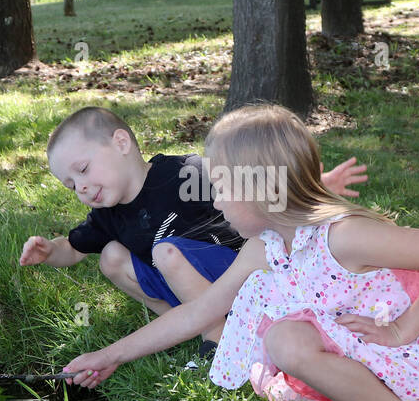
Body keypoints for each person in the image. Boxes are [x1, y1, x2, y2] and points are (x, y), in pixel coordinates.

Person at [64, 103, 419, 401]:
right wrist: (110, 355)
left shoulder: (344, 236)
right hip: (385, 364)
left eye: (223, 188)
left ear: (262, 189)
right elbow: (197, 313)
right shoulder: (265, 246)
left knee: (290, 342)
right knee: (288, 334)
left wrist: (402, 329)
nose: (215, 201)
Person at [20, 106, 367, 349]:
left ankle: (216, 338)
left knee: (165, 252)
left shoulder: (182, 176)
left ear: (121, 143)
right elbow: (74, 248)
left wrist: (313, 182)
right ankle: (181, 325)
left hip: (235, 275)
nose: (80, 187)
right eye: (70, 184)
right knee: (110, 256)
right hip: (185, 286)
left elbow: (249, 184)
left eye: (83, 169)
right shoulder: (107, 214)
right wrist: (50, 251)